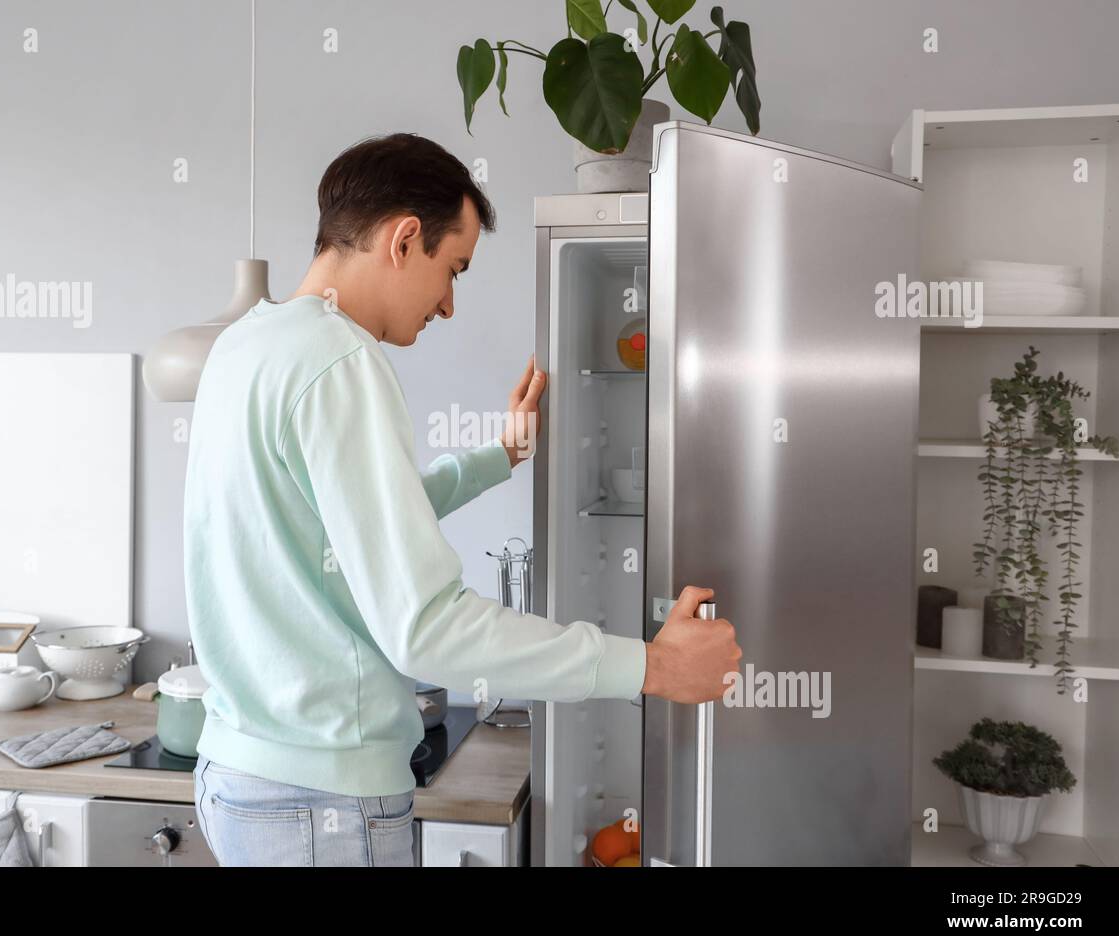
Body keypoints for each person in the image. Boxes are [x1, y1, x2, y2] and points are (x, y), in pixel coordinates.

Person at [184, 132, 741, 867]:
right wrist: (651, 667)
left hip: (242, 782)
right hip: (323, 806)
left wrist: (499, 456)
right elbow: (426, 627)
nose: (448, 303)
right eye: (454, 269)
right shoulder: (342, 358)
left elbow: (338, 532)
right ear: (404, 238)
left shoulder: (246, 347)